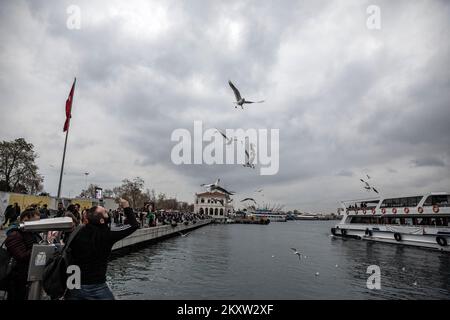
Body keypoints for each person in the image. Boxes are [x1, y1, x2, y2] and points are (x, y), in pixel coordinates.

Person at [65, 198, 139, 300]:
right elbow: (133, 225)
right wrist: (126, 205)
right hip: (95, 285)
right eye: (105, 212)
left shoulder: (77, 232)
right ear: (101, 220)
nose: (107, 212)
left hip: (73, 282)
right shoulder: (107, 234)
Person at [4, 208, 41, 300]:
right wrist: (38, 247)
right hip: (17, 277)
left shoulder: (31, 232)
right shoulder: (15, 234)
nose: (37, 223)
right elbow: (21, 256)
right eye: (35, 221)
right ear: (25, 219)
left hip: (27, 275)